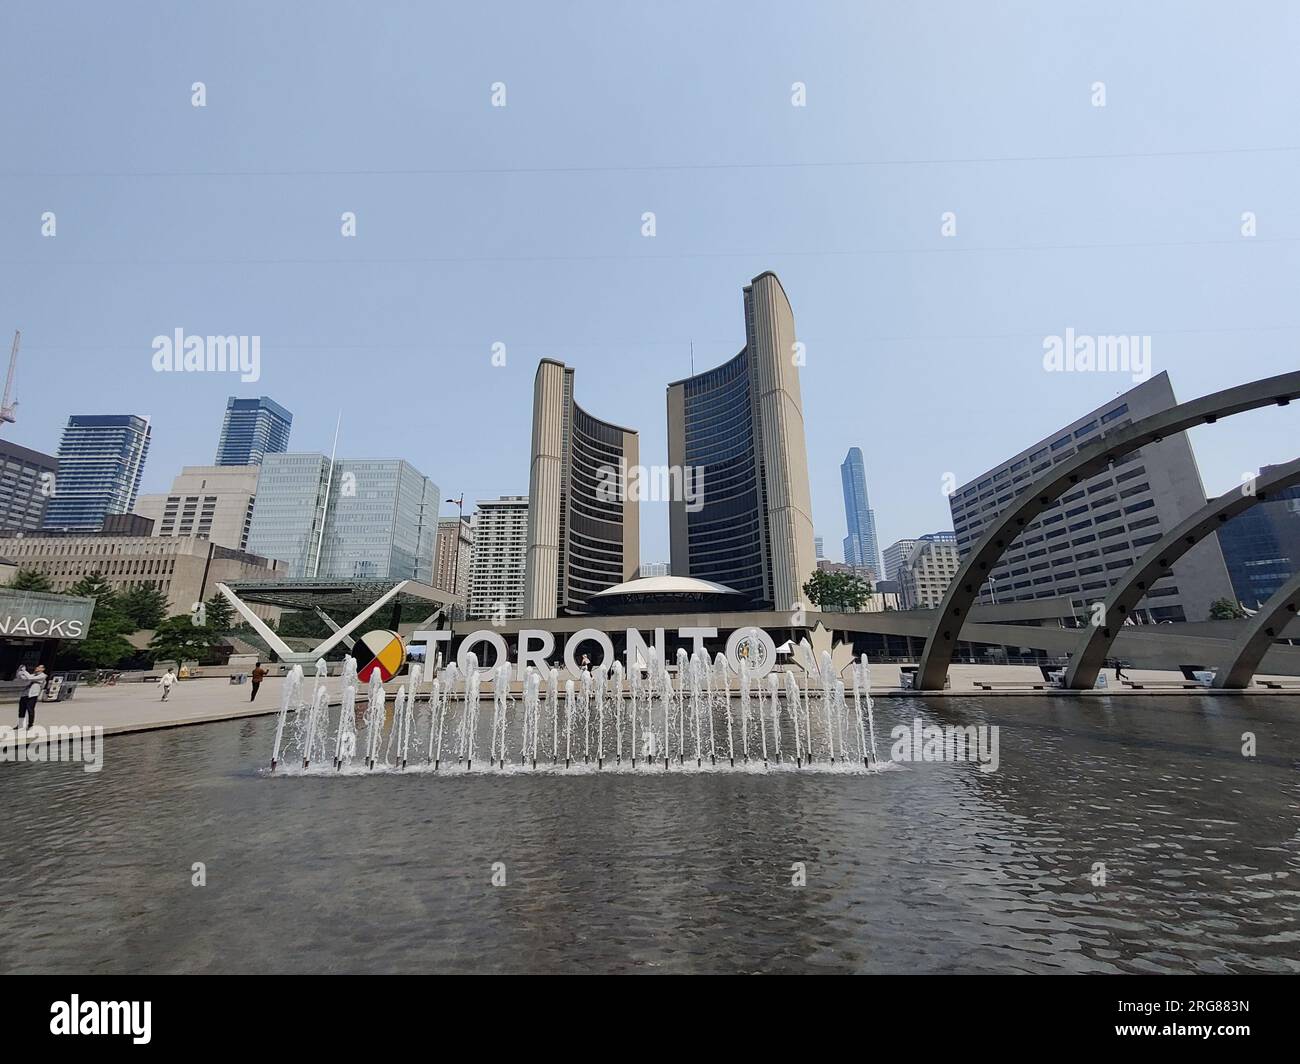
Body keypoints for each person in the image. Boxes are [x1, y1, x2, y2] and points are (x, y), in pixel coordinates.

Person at [14, 663, 45, 729]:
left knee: (30, 709)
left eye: (39, 667)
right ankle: (20, 724)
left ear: (43, 669)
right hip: (25, 693)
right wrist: (20, 672)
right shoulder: (33, 675)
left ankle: (30, 724)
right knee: (21, 710)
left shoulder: (43, 676)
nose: (37, 668)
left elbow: (29, 678)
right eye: (37, 667)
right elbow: (24, 678)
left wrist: (24, 671)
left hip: (33, 694)